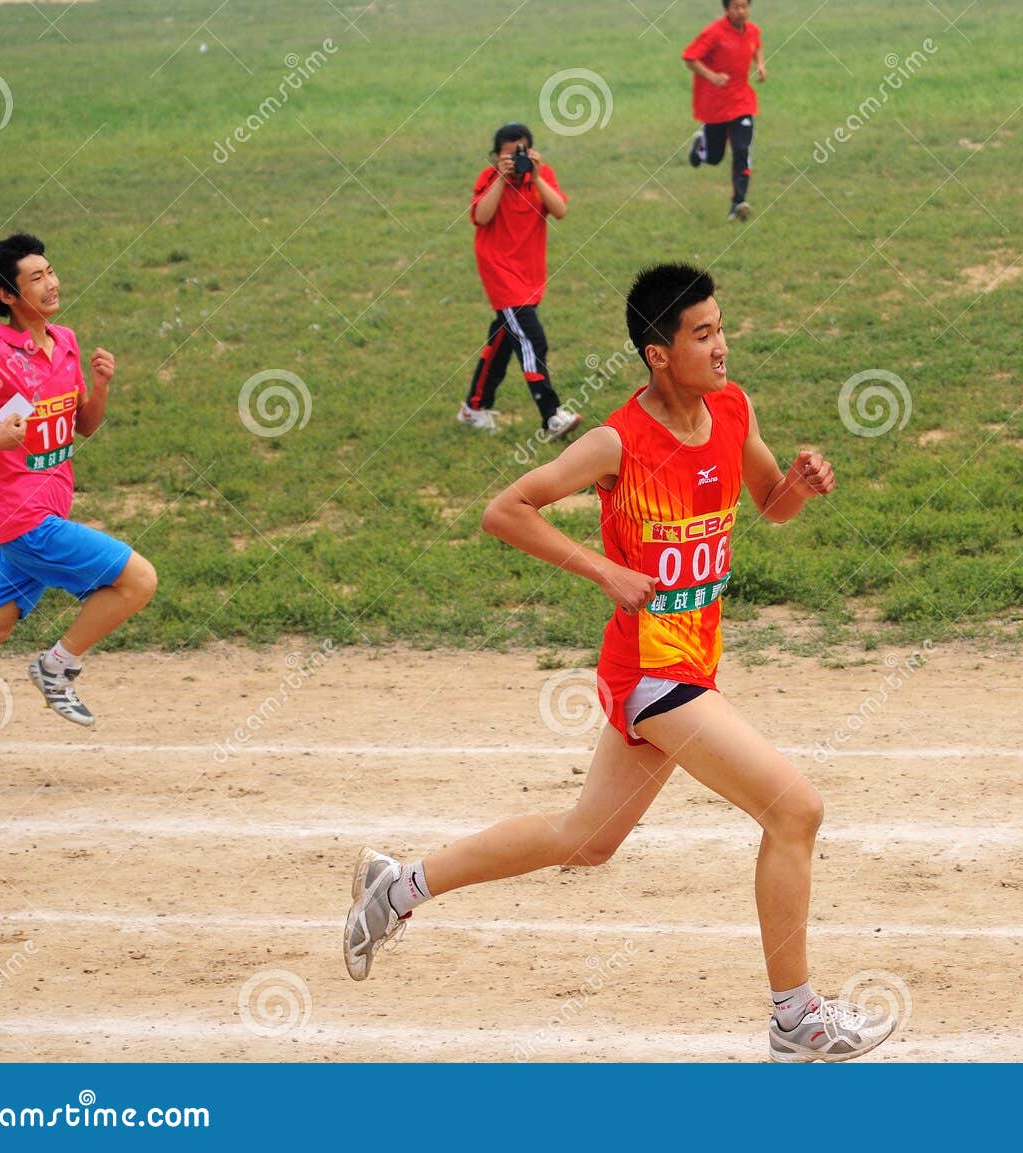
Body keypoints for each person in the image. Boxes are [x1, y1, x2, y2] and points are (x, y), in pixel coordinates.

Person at [345, 263, 896, 1062]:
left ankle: (396, 889)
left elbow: (768, 504)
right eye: (701, 333)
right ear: (657, 353)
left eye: (720, 327)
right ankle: (796, 1019)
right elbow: (506, 511)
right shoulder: (616, 442)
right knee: (795, 809)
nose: (721, 344)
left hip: (690, 665)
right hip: (650, 673)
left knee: (586, 837)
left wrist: (803, 487)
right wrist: (602, 569)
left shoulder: (733, 411)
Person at [0, 232, 158, 779]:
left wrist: (100, 387)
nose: (51, 283)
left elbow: (83, 425)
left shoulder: (66, 342)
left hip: (46, 512)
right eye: (35, 277)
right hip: (22, 519)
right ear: (7, 295)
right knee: (138, 581)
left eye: (50, 271)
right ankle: (57, 666)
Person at [459, 122, 582, 440]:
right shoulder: (488, 179)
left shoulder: (542, 177)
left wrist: (538, 177)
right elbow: (481, 217)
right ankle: (552, 416)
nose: (515, 159)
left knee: (502, 342)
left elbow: (560, 211)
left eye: (521, 152)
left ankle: (474, 407)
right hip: (500, 274)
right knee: (532, 340)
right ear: (497, 156)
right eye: (508, 154)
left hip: (529, 276)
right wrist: (501, 177)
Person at [683, 0, 765, 222]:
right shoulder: (714, 32)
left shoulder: (753, 30)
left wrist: (760, 64)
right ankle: (701, 147)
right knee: (715, 157)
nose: (741, 11)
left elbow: (756, 45)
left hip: (742, 102)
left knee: (742, 149)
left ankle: (738, 203)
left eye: (744, 6)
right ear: (726, 9)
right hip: (715, 105)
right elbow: (690, 57)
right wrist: (712, 76)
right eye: (736, 7)